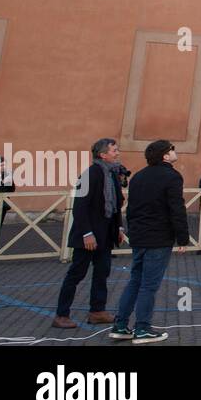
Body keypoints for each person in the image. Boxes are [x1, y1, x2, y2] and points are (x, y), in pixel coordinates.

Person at [110, 140, 188, 344]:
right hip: (158, 237)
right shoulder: (172, 176)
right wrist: (183, 237)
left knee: (135, 281)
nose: (174, 151)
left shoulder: (138, 176)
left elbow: (132, 209)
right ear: (165, 155)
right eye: (171, 149)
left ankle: (120, 325)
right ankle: (142, 328)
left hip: (139, 236)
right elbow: (176, 208)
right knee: (149, 285)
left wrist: (132, 233)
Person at [53, 138, 125, 329]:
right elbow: (80, 207)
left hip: (105, 235)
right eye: (114, 150)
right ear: (103, 154)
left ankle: (97, 311)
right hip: (88, 237)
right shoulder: (90, 174)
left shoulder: (112, 175)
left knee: (102, 273)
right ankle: (61, 314)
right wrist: (87, 233)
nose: (118, 153)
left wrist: (119, 228)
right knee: (76, 274)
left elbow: (116, 205)